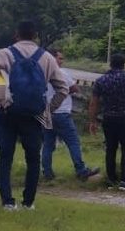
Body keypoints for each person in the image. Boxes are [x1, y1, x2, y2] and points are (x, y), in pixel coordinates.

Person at [0, 21, 69, 210]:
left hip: (9, 111)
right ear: (35, 36)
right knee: (33, 158)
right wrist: (48, 109)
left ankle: (7, 202)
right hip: (35, 113)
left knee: (5, 156)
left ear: (16, 35)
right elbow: (63, 89)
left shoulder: (5, 54)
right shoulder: (46, 57)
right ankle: (28, 203)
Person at [89, 51, 125, 191]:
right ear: (123, 65)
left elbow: (93, 103)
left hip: (108, 118)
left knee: (110, 149)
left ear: (110, 64)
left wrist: (92, 121)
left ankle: (111, 179)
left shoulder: (101, 80)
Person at [41, 48, 99, 182]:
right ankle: (81, 170)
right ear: (52, 58)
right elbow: (74, 88)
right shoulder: (61, 73)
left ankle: (47, 173)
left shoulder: (42, 74)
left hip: (47, 113)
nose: (62, 61)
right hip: (61, 113)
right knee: (73, 142)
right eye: (60, 58)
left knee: (48, 144)